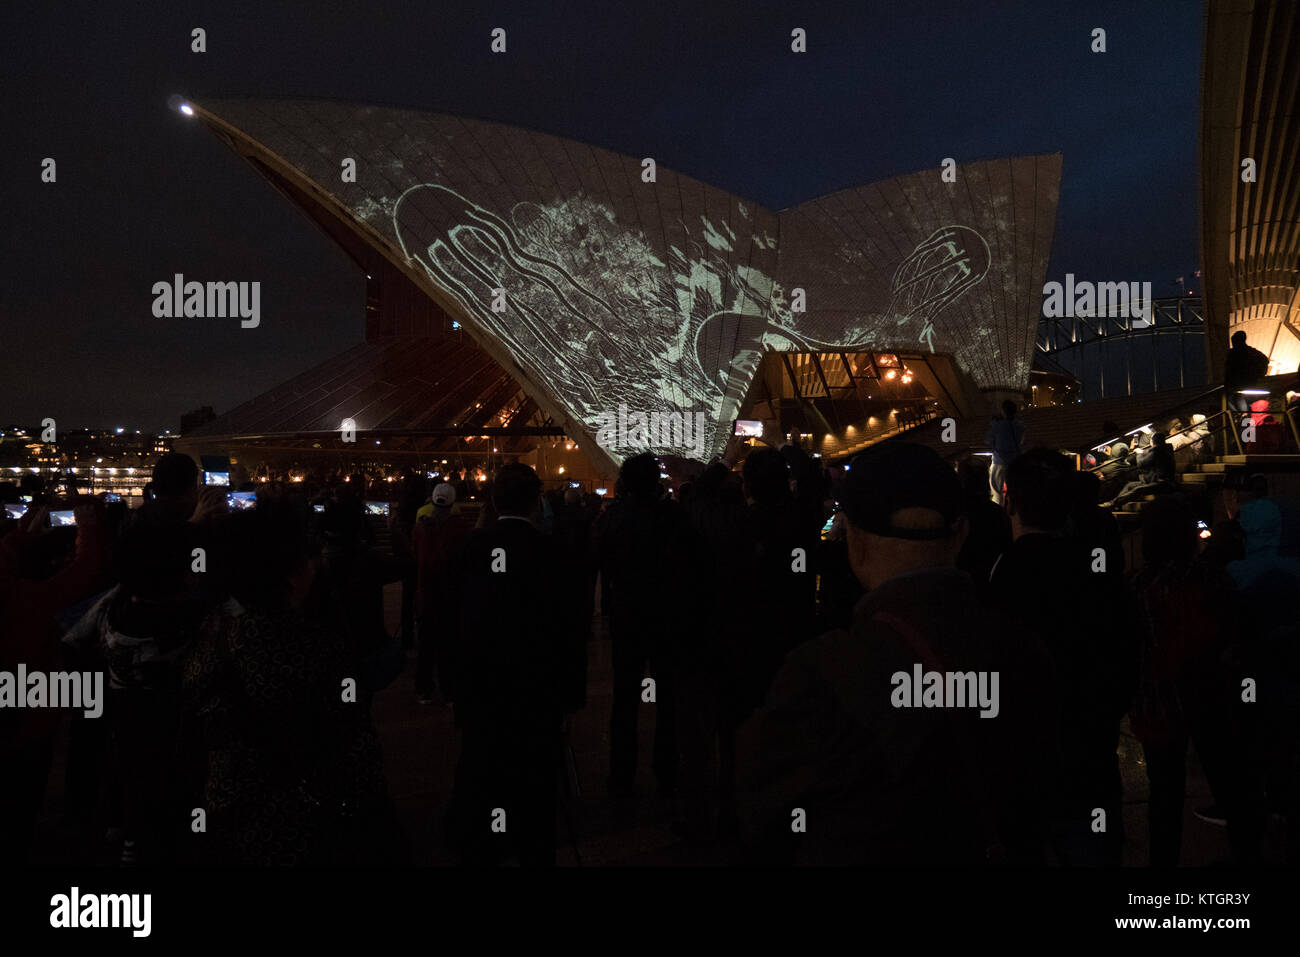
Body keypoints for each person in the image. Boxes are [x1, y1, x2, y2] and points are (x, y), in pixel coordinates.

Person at [749, 443, 1057, 865]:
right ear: (962, 534)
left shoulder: (818, 673)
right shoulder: (1026, 651)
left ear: (854, 541)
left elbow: (770, 830)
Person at [988, 449, 1140, 865]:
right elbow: (1127, 655)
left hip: (1023, 770)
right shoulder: (1097, 575)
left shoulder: (1001, 577)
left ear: (1010, 501)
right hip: (1091, 757)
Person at [442, 464, 581, 865]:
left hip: (481, 695)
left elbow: (448, 625)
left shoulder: (467, 550)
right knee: (535, 791)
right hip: (536, 696)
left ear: (493, 500)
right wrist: (569, 696)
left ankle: (484, 845)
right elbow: (569, 632)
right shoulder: (553, 554)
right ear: (537, 502)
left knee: (482, 778)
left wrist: (452, 687)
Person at [1128, 497, 1237, 866]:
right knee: (1228, 784)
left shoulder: (1140, 586)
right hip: (1212, 700)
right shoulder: (1214, 578)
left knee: (1164, 796)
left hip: (1158, 704)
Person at [595, 453, 694, 797]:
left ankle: (621, 773)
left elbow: (602, 563)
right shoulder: (674, 517)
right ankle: (666, 768)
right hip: (666, 619)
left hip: (628, 618)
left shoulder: (613, 519)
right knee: (667, 697)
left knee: (625, 698)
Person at [412, 483, 473, 703]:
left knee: (426, 646)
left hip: (426, 595)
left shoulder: (420, 527)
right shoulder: (461, 528)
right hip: (451, 596)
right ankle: (449, 689)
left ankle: (424, 689)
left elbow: (413, 556)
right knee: (449, 646)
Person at [984, 400, 1025, 505]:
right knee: (1014, 488)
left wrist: (993, 424)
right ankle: (1014, 509)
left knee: (995, 487)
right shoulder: (1019, 426)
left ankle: (997, 508)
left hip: (999, 460)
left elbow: (988, 440)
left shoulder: (998, 426)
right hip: (1014, 460)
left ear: (1003, 411)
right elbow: (1021, 441)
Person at [1224, 330, 1270, 414]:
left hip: (1238, 384)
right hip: (1250, 383)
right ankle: (1245, 419)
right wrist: (1259, 374)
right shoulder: (1251, 351)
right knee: (1241, 401)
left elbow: (1229, 369)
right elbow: (1265, 359)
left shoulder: (1234, 353)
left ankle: (1243, 418)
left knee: (1232, 399)